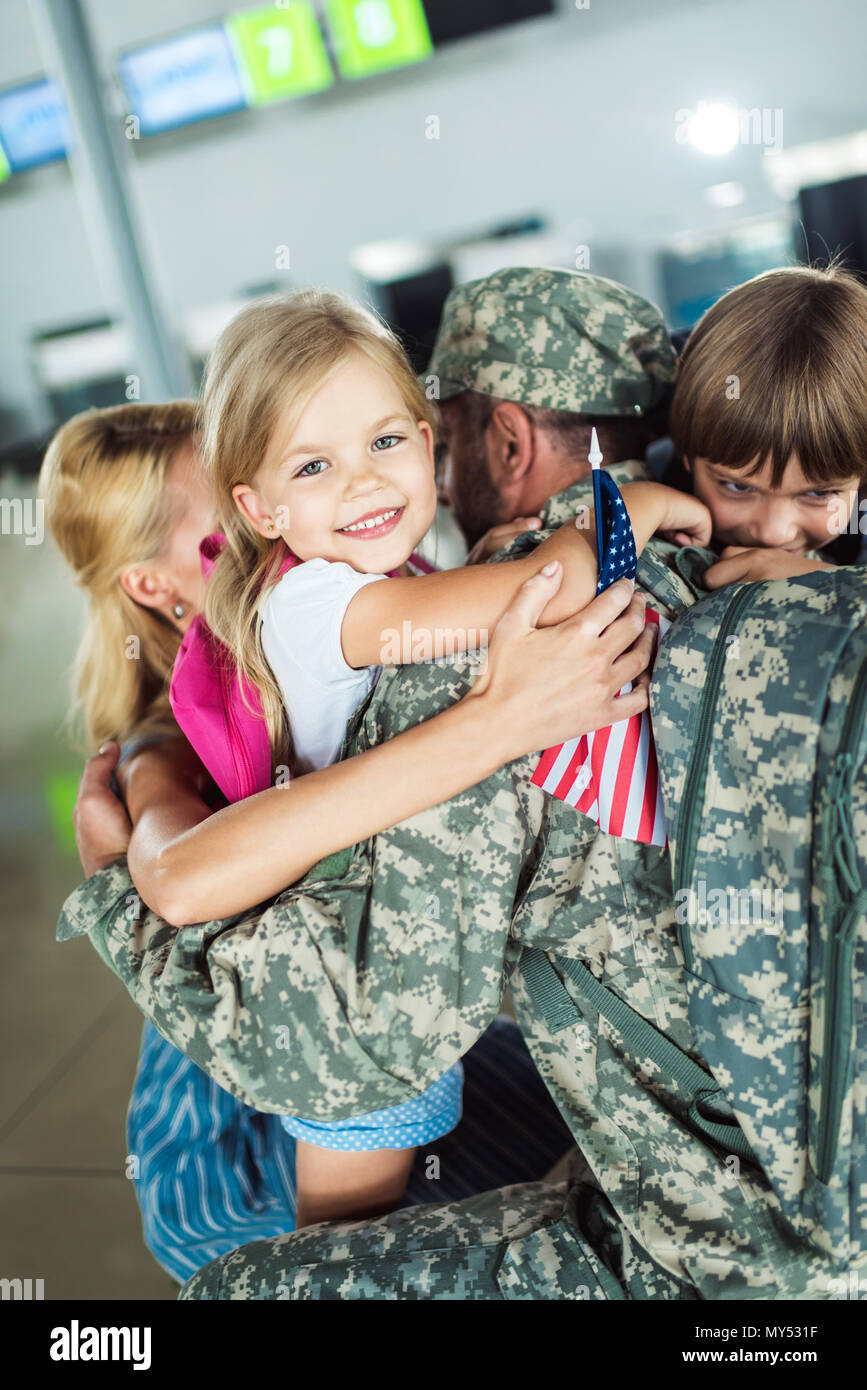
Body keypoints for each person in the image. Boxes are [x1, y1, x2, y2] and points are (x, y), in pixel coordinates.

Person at [60, 267, 845, 1299]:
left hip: (402, 1032)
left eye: (396, 438)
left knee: (239, 1244)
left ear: (476, 440)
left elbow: (185, 891)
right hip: (690, 1140)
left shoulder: (477, 632)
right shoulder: (592, 611)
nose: (365, 486)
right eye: (310, 470)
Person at [44, 390, 650, 1280]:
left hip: (366, 1040)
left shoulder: (324, 620)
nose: (285, 539)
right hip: (250, 1134)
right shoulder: (165, 735)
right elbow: (174, 869)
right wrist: (497, 718)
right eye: (238, 530)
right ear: (152, 585)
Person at [665, 264, 867, 586]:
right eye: (738, 486)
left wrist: (832, 587)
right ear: (686, 455)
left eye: (819, 493)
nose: (774, 533)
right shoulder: (646, 502)